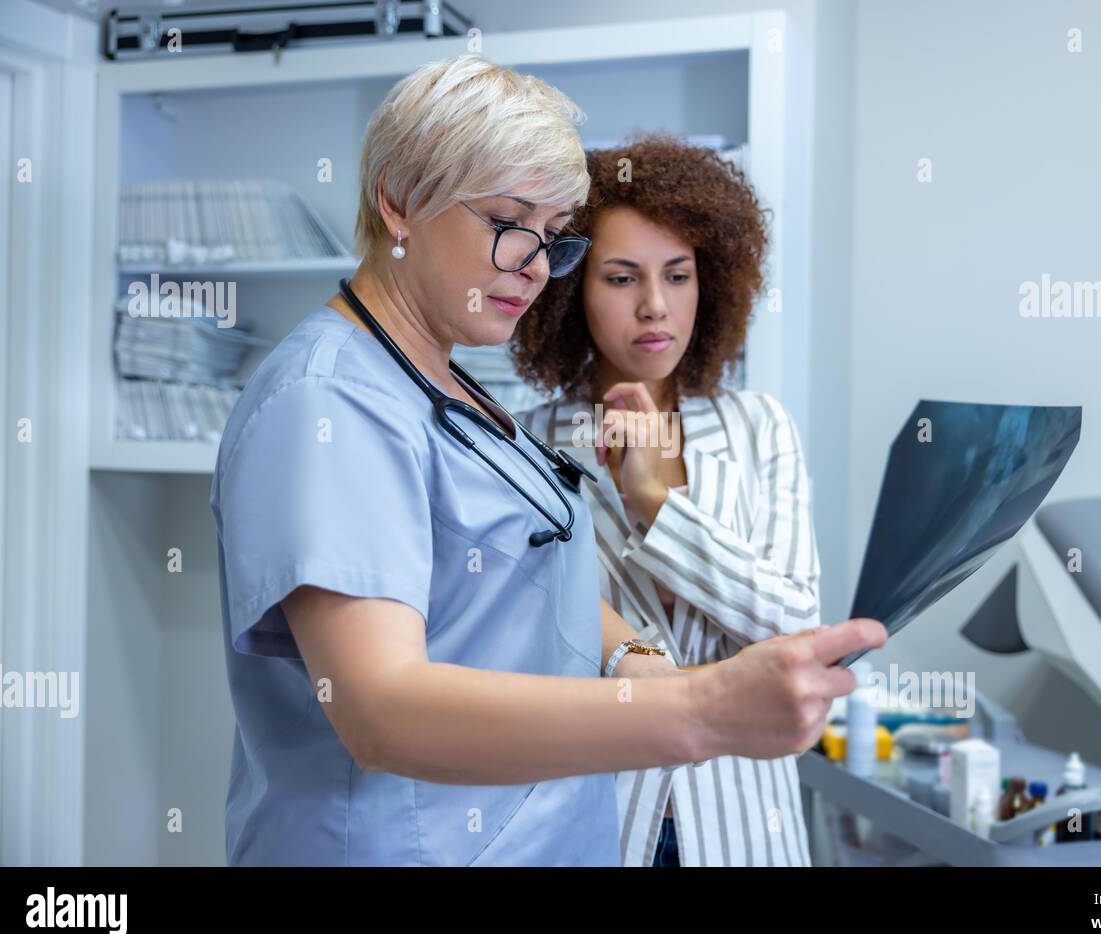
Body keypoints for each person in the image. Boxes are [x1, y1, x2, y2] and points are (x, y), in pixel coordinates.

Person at [210, 55, 884, 866]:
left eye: (553, 238)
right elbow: (381, 708)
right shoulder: (328, 404)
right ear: (398, 201)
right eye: (506, 223)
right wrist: (701, 708)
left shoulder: (441, 380)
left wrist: (637, 658)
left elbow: (520, 568)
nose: (534, 266)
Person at [515, 134, 822, 866]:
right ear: (572, 290)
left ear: (708, 283)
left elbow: (795, 624)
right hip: (599, 809)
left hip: (743, 816)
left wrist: (658, 505)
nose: (655, 307)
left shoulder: (759, 428)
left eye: (677, 276)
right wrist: (672, 673)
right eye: (621, 279)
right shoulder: (526, 443)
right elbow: (537, 635)